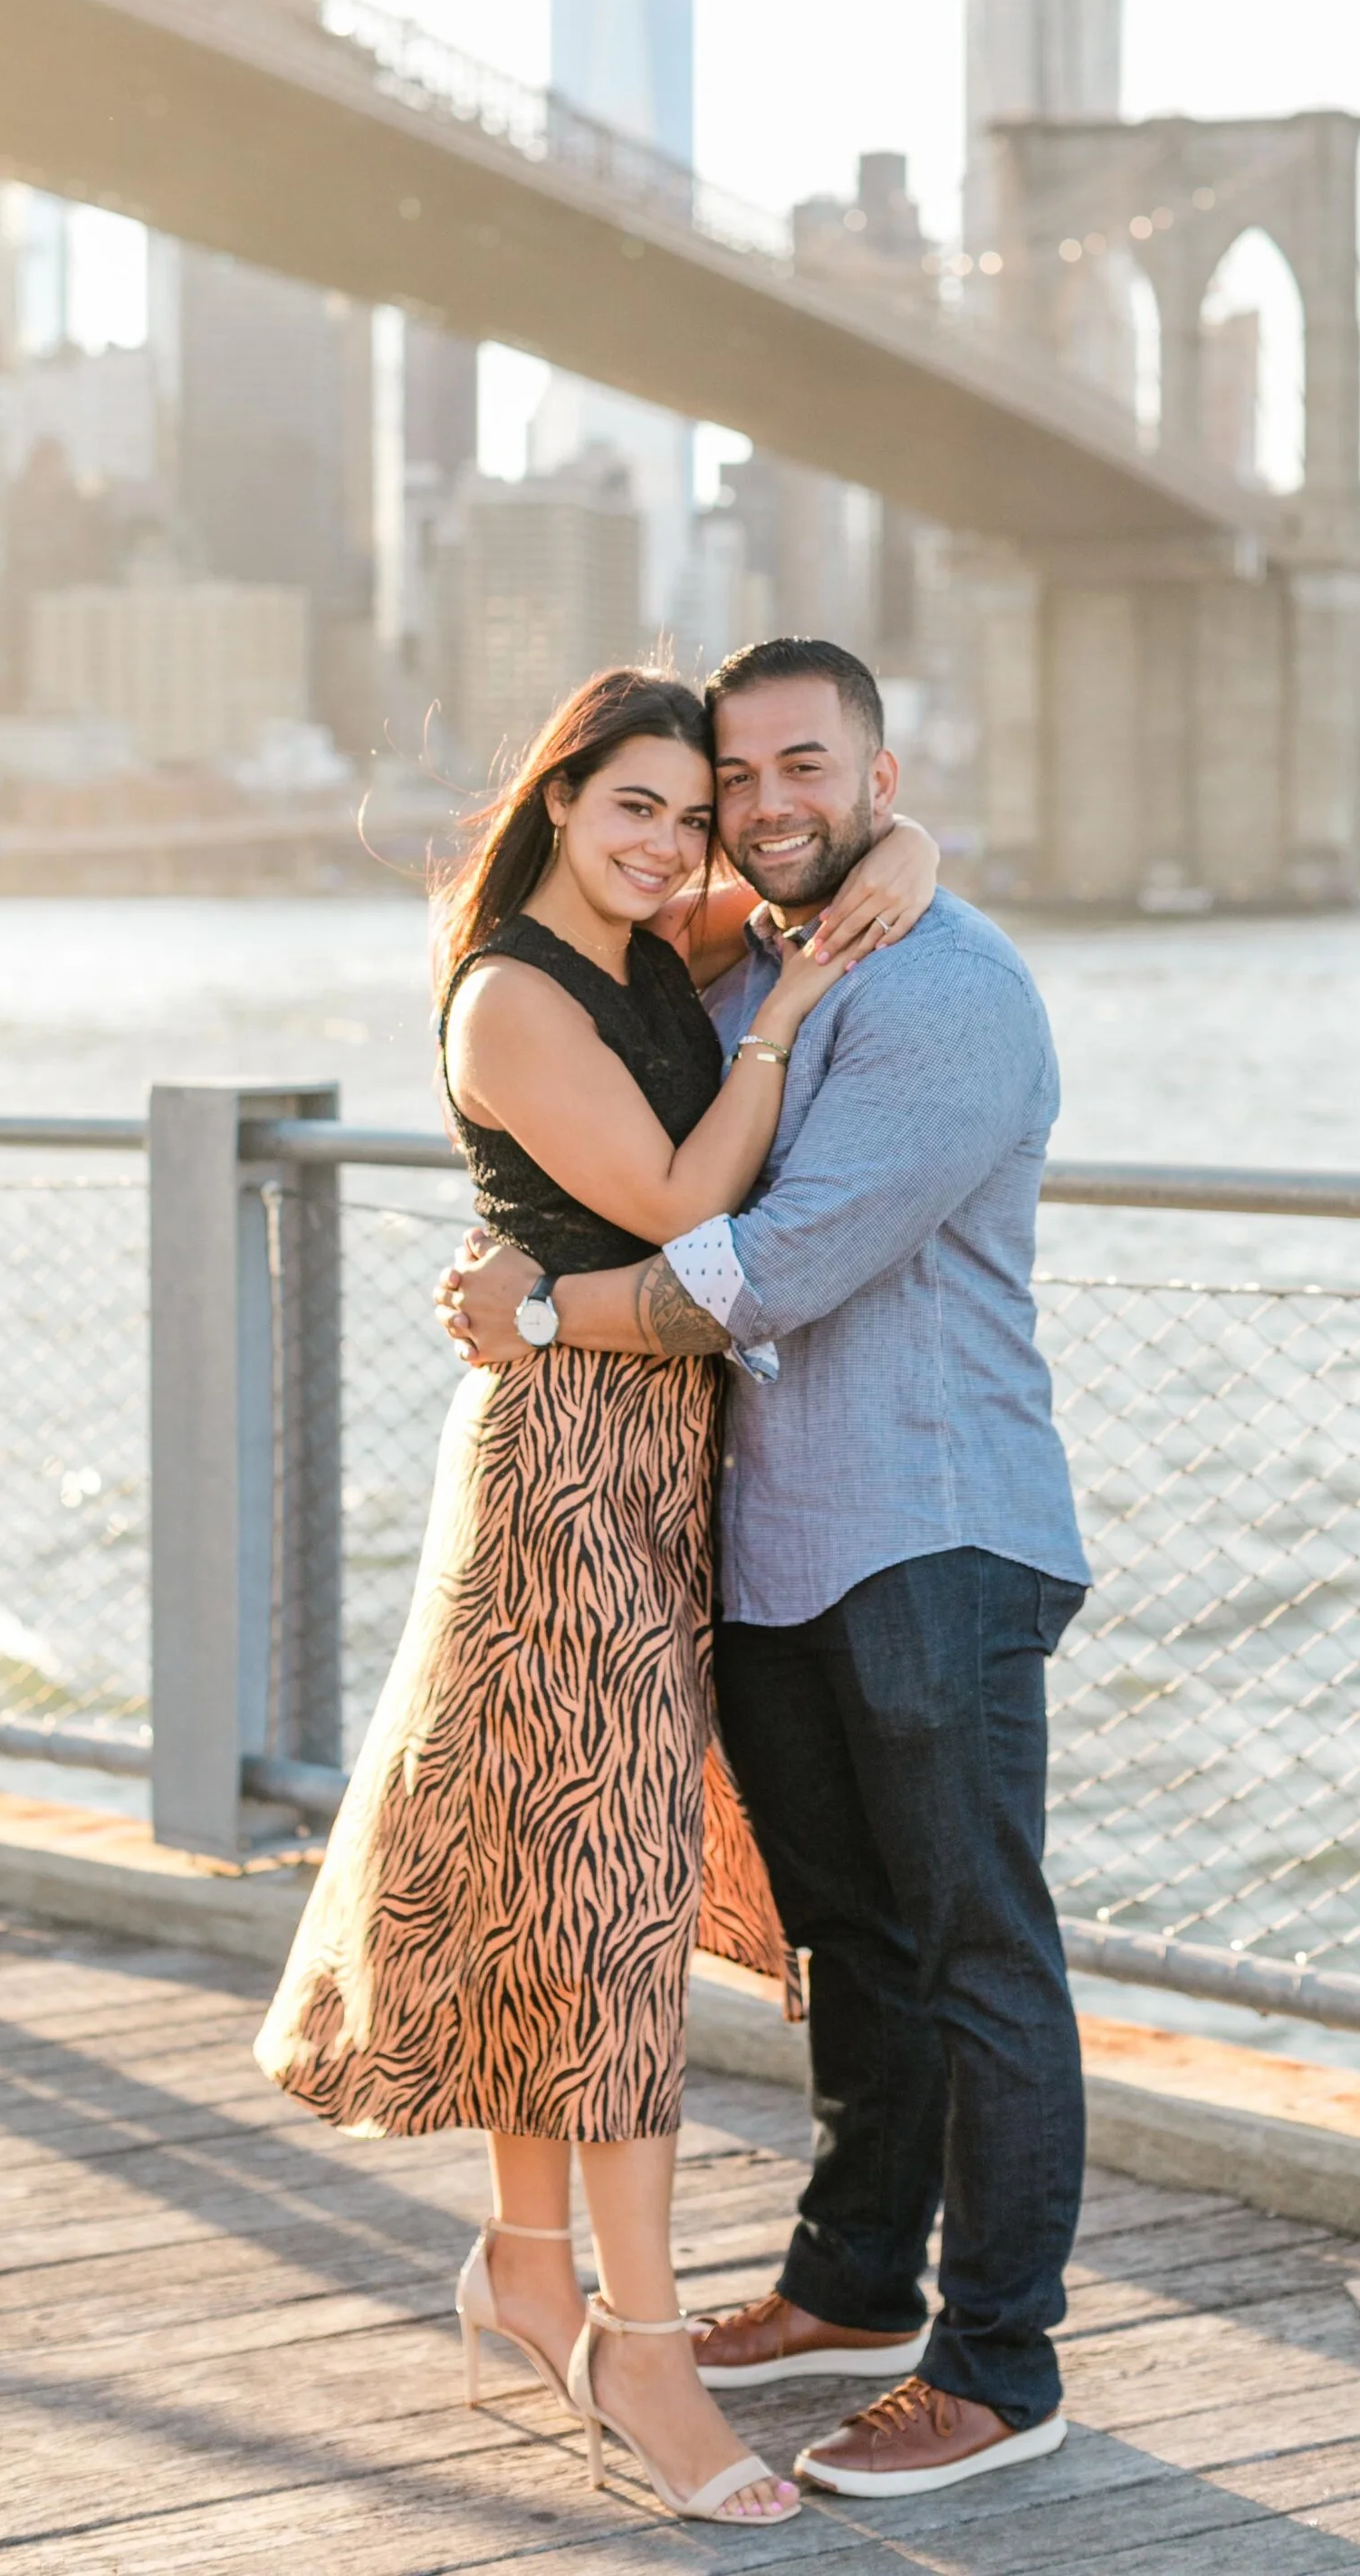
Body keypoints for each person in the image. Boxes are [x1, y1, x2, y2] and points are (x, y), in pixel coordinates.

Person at [254, 663, 940, 2531]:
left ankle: (526, 2267)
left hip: (655, 1466)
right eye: (629, 805)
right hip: (561, 1471)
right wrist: (789, 1015)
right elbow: (669, 1202)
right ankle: (635, 2342)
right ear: (555, 801)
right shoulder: (508, 998)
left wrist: (900, 841)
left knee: (579, 1888)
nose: (665, 844)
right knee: (610, 1913)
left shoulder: (650, 942)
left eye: (685, 817)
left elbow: (869, 865)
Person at [444, 636, 1091, 2506]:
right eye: (735, 777)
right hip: (771, 1542)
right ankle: (848, 2285)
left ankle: (997, 2364)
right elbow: (607, 1075)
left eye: (805, 768)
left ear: (877, 775)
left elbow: (770, 1267)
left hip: (932, 1529)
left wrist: (547, 1308)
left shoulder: (944, 998)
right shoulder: (749, 956)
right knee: (857, 1950)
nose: (761, 805)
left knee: (977, 1953)